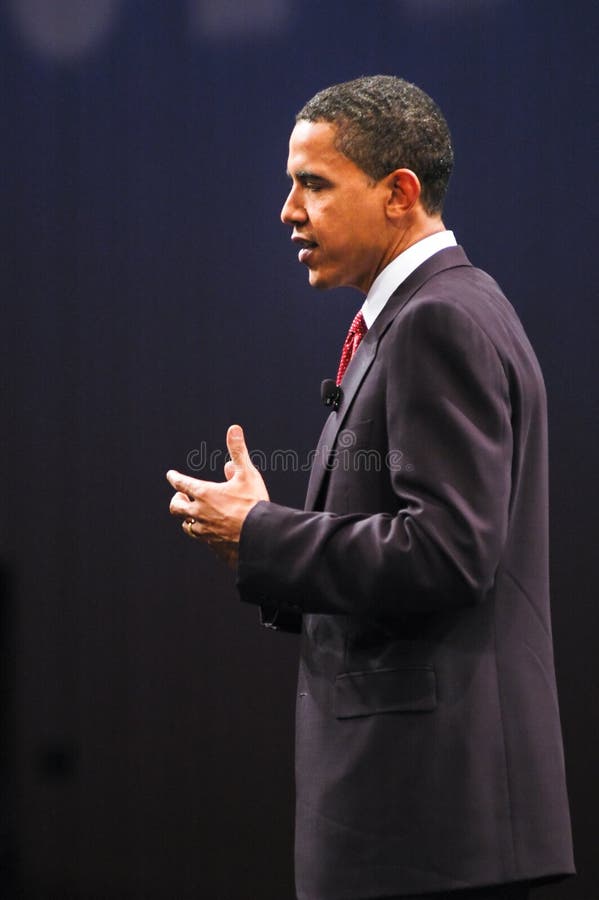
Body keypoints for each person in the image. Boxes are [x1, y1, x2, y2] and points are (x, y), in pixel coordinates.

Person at [167, 76, 574, 900]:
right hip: (430, 819)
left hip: (426, 818)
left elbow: (447, 553)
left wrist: (261, 533)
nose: (288, 211)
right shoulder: (440, 312)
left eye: (313, 183)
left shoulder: (437, 319)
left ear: (399, 193)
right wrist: (271, 530)